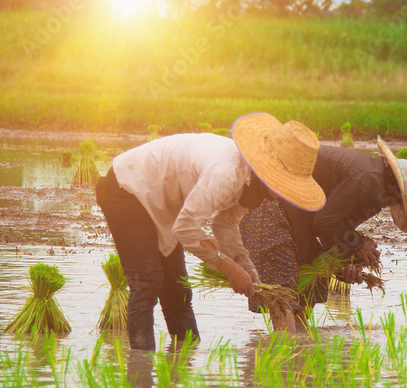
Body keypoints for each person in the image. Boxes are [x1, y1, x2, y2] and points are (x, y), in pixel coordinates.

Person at [95, 113, 325, 350]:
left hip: (163, 203)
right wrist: (229, 268)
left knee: (179, 289)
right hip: (128, 188)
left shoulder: (252, 184)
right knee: (148, 281)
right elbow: (185, 228)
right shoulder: (226, 173)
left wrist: (246, 266)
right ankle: (140, 372)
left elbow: (225, 225)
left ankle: (182, 366)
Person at [239, 137, 407, 332]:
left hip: (297, 220)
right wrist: (358, 244)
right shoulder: (369, 178)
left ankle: (299, 349)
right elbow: (325, 221)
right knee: (282, 294)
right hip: (268, 206)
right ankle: (286, 349)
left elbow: (329, 232)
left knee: (313, 280)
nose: (391, 205)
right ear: (395, 190)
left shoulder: (376, 195)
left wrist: (345, 262)